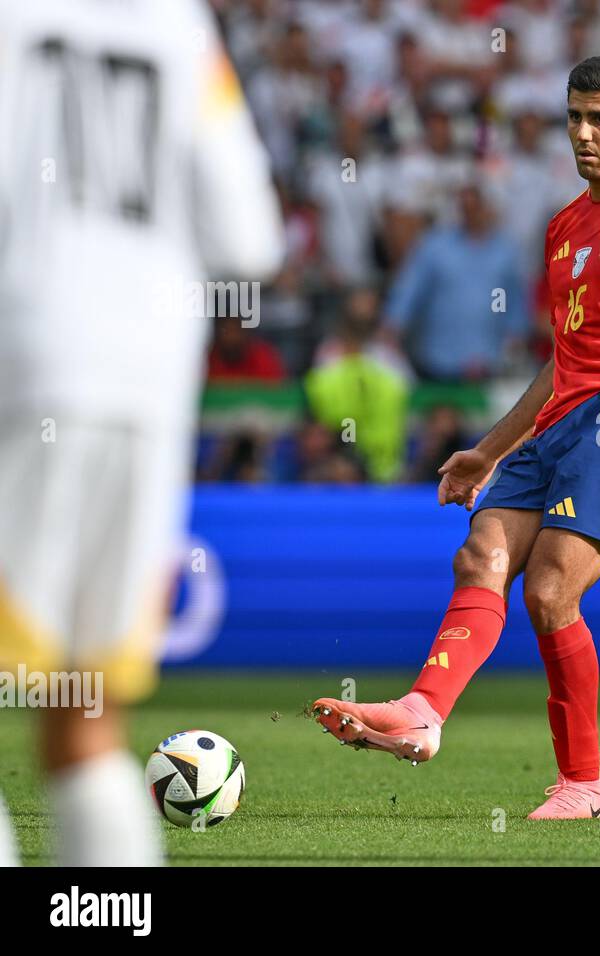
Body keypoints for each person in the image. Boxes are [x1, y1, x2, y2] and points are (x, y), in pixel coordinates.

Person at [313, 56, 600, 820]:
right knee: (481, 553)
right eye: (574, 117)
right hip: (560, 418)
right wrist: (490, 448)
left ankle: (583, 787)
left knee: (548, 590)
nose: (583, 133)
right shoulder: (565, 226)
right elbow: (561, 358)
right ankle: (423, 715)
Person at [0, 0, 282, 865]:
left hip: (25, 350)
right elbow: (250, 237)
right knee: (85, 720)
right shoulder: (178, 24)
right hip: (150, 379)